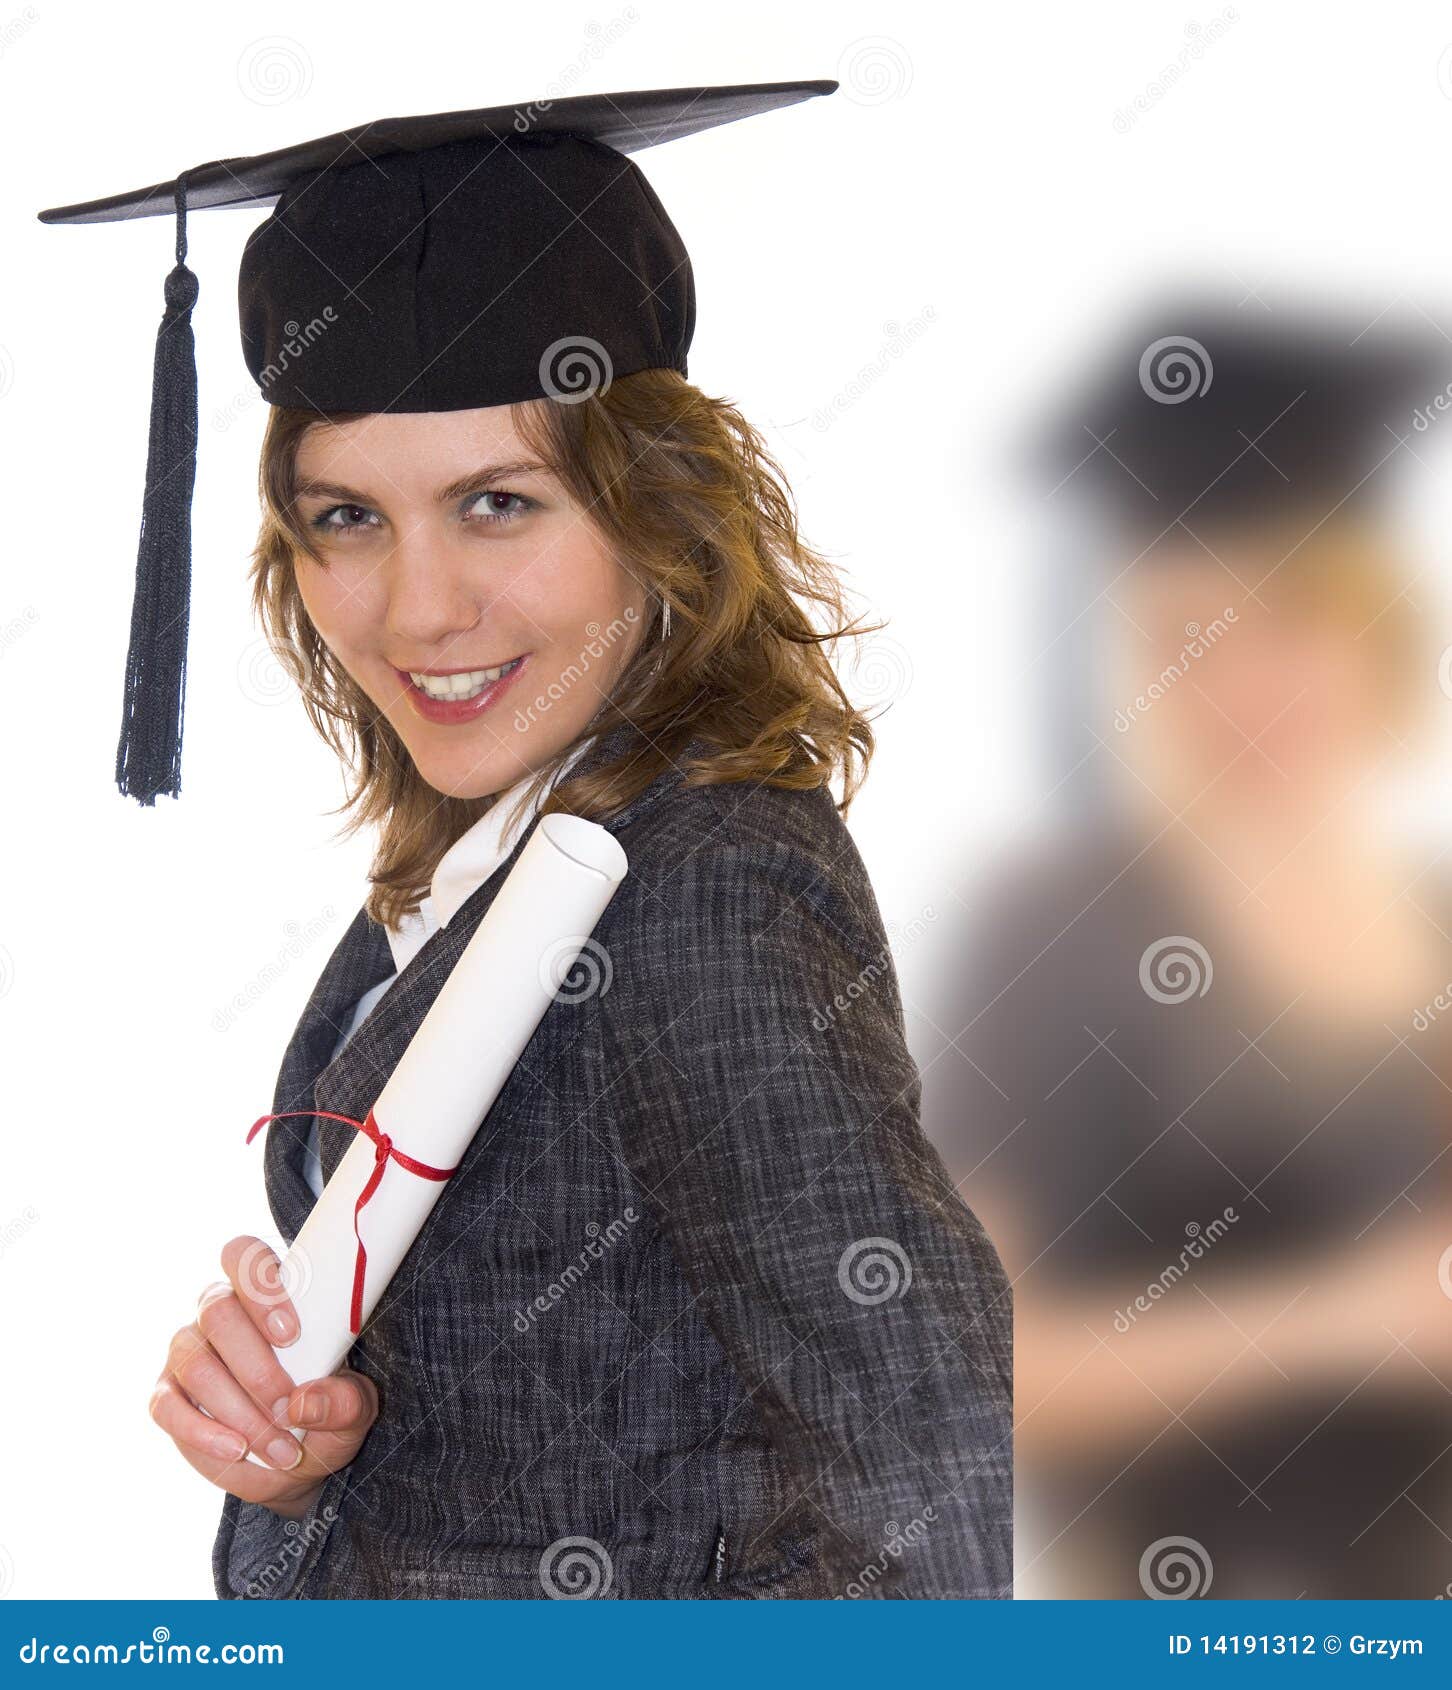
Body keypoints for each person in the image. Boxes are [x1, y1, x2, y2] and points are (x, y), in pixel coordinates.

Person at [41, 84, 1012, 1599]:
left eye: (498, 502)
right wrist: (301, 1458)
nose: (419, 607)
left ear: (660, 513)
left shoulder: (706, 885)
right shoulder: (487, 861)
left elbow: (930, 1483)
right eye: (345, 517)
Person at [925, 293, 1452, 1598]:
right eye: (1188, 639)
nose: (1245, 687)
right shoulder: (1066, 935)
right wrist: (1356, 1321)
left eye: (1289, 623)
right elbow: (973, 1368)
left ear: (1375, 625)